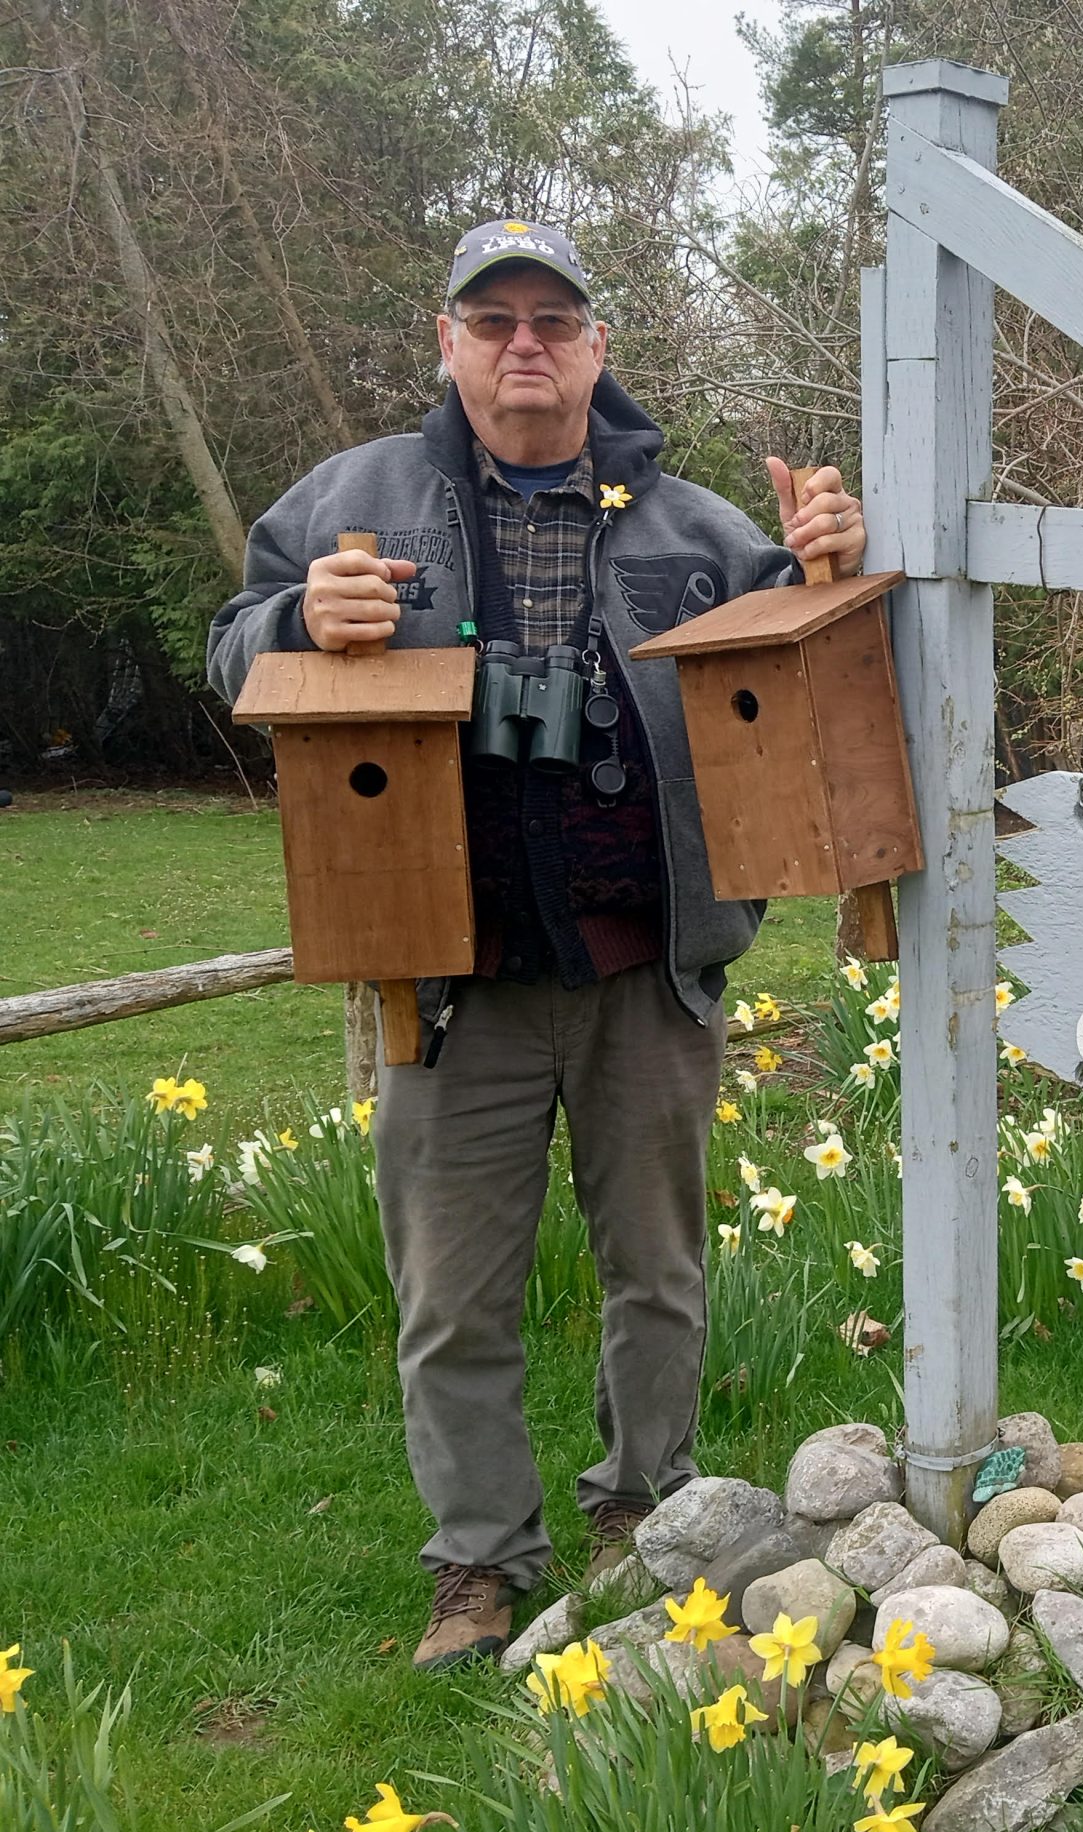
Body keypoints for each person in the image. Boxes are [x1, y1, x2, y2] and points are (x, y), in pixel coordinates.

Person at [208, 219, 868, 1669]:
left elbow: (819, 650)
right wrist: (298, 619)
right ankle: (481, 1564)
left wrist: (827, 558)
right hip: (453, 985)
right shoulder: (354, 500)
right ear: (447, 344)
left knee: (660, 1273)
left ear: (596, 348)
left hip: (651, 977)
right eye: (492, 319)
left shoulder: (697, 530)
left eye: (552, 321)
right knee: (454, 1301)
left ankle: (649, 1518)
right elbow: (233, 639)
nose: (524, 345)